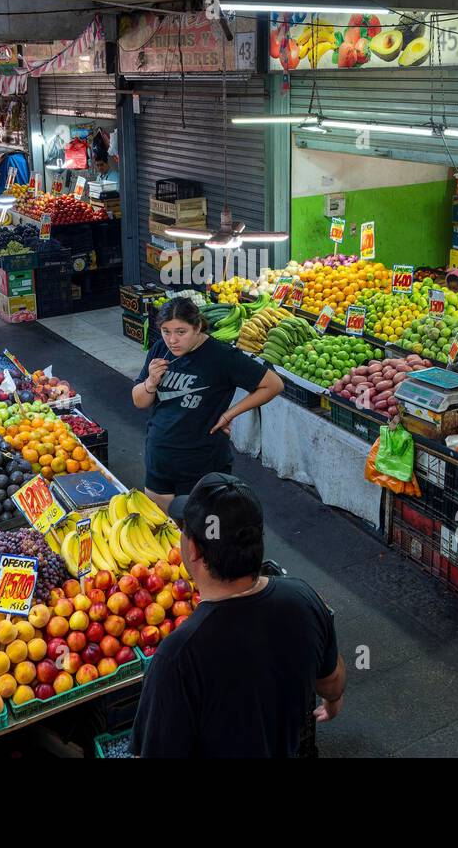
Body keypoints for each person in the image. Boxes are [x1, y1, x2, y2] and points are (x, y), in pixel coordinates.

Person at [130, 473, 346, 758]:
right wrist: (332, 702)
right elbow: (332, 681)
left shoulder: (179, 656)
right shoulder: (303, 600)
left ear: (193, 549)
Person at [132, 298, 284, 508]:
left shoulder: (222, 356)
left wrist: (229, 414)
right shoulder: (160, 349)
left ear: (197, 327)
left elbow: (273, 384)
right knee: (161, 531)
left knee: (200, 532)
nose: (172, 340)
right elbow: (139, 402)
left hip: (202, 462)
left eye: (181, 332)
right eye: (166, 331)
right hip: (160, 456)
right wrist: (150, 382)